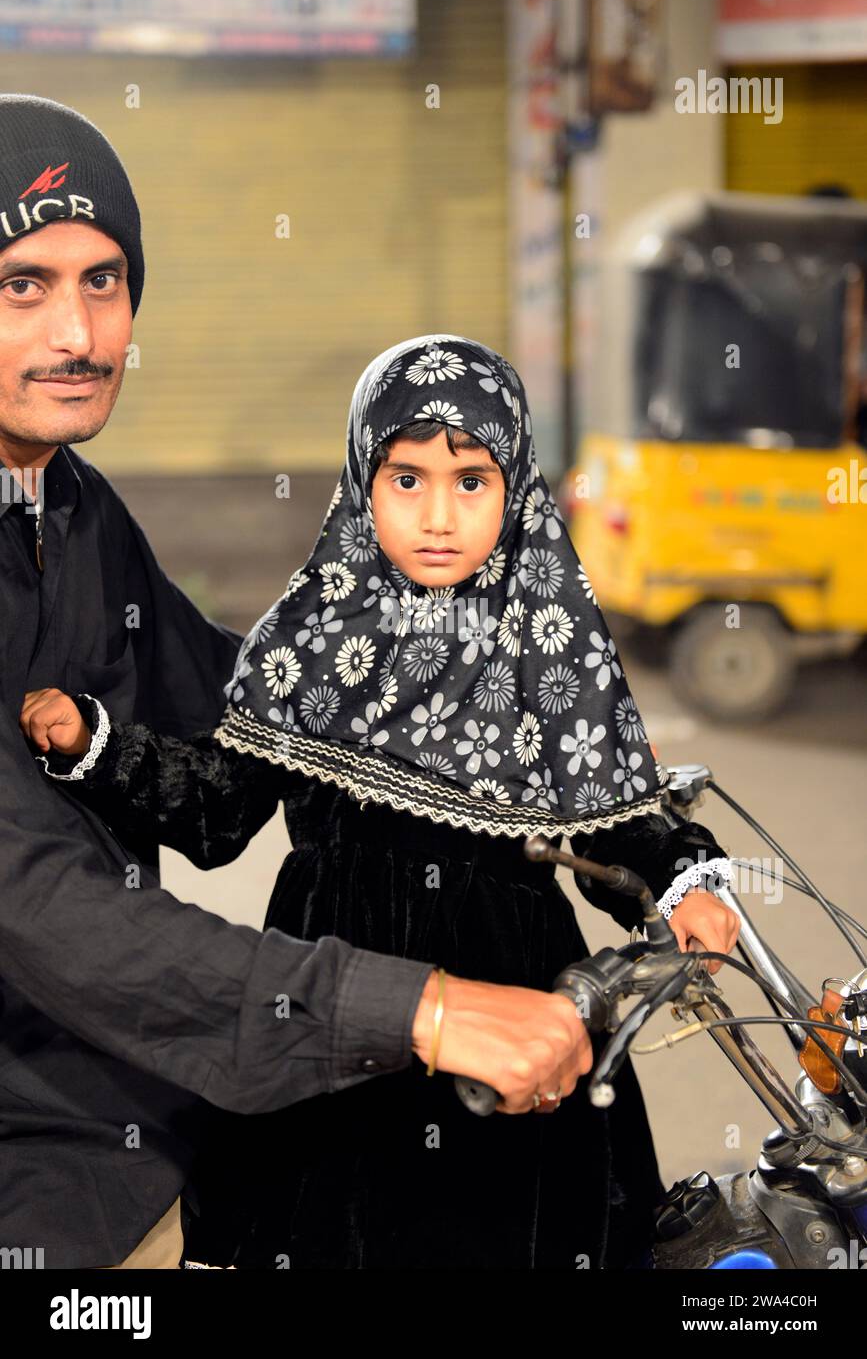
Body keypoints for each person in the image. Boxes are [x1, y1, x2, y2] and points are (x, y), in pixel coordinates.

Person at [0, 98, 586, 1270]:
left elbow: (247, 713)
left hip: (137, 1131)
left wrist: (525, 731)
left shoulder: (70, 507)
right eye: (24, 285)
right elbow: (39, 905)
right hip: (37, 1193)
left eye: (105, 282)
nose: (78, 330)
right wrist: (419, 1007)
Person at [26, 334, 741, 1269]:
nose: (437, 515)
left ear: (515, 487)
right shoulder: (314, 645)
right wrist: (101, 747)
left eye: (471, 482)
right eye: (406, 480)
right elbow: (215, 810)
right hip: (337, 1009)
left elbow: (610, 824)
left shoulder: (548, 647)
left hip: (516, 1003)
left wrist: (685, 877)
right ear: (362, 479)